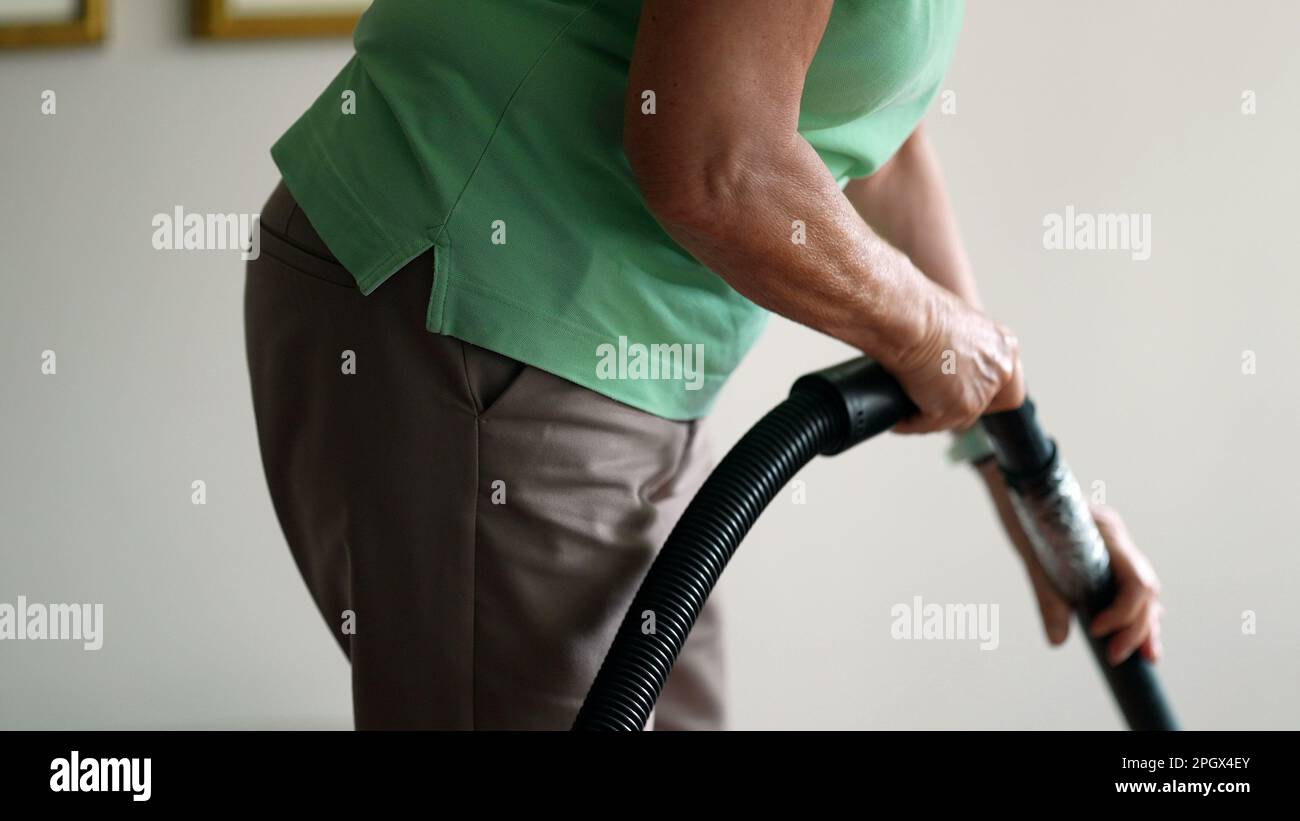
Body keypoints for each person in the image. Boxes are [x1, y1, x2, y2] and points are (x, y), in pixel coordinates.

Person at [244, 0, 1163, 730]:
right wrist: (925, 335)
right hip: (486, 312)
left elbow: (878, 134)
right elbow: (716, 158)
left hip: (608, 360)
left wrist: (1030, 485)